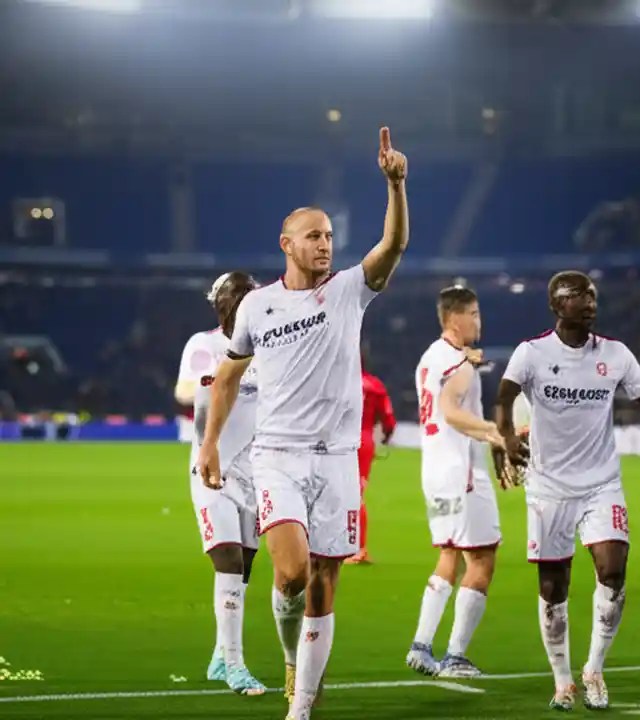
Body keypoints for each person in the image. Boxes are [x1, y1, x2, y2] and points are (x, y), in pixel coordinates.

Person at [196, 127, 409, 720]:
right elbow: (230, 376)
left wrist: (395, 187)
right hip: (279, 456)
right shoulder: (257, 306)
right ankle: (292, 656)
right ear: (286, 243)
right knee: (289, 573)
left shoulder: (347, 292)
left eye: (331, 236)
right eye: (314, 236)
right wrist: (211, 444)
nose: (326, 245)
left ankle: (302, 705)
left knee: (323, 582)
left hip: (337, 458)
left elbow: (392, 248)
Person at [494, 270, 640, 711]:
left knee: (613, 571)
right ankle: (562, 680)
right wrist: (506, 437)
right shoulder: (532, 353)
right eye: (579, 295)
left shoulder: (615, 355)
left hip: (601, 485)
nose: (591, 301)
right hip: (549, 489)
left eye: (593, 294)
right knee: (552, 587)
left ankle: (594, 668)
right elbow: (503, 396)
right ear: (558, 305)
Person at [407, 286, 508, 678]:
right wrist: (494, 431)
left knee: (449, 554)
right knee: (482, 558)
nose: (479, 322)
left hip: (434, 472)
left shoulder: (430, 358)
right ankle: (455, 656)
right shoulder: (460, 366)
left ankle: (421, 645)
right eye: (475, 314)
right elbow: (450, 411)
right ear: (455, 319)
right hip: (463, 474)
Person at [175, 271, 267, 696]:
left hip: (256, 470)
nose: (241, 301)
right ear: (220, 303)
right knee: (227, 559)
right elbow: (183, 391)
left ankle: (219, 654)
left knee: (244, 567)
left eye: (248, 294)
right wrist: (215, 380)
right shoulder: (204, 344)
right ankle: (235, 665)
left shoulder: (268, 349)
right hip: (212, 469)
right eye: (235, 294)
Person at [347, 360, 396, 565]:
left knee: (344, 494)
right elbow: (389, 419)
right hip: (365, 440)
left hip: (339, 440)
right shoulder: (375, 385)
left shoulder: (342, 382)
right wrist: (385, 437)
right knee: (356, 493)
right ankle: (356, 547)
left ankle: (355, 549)